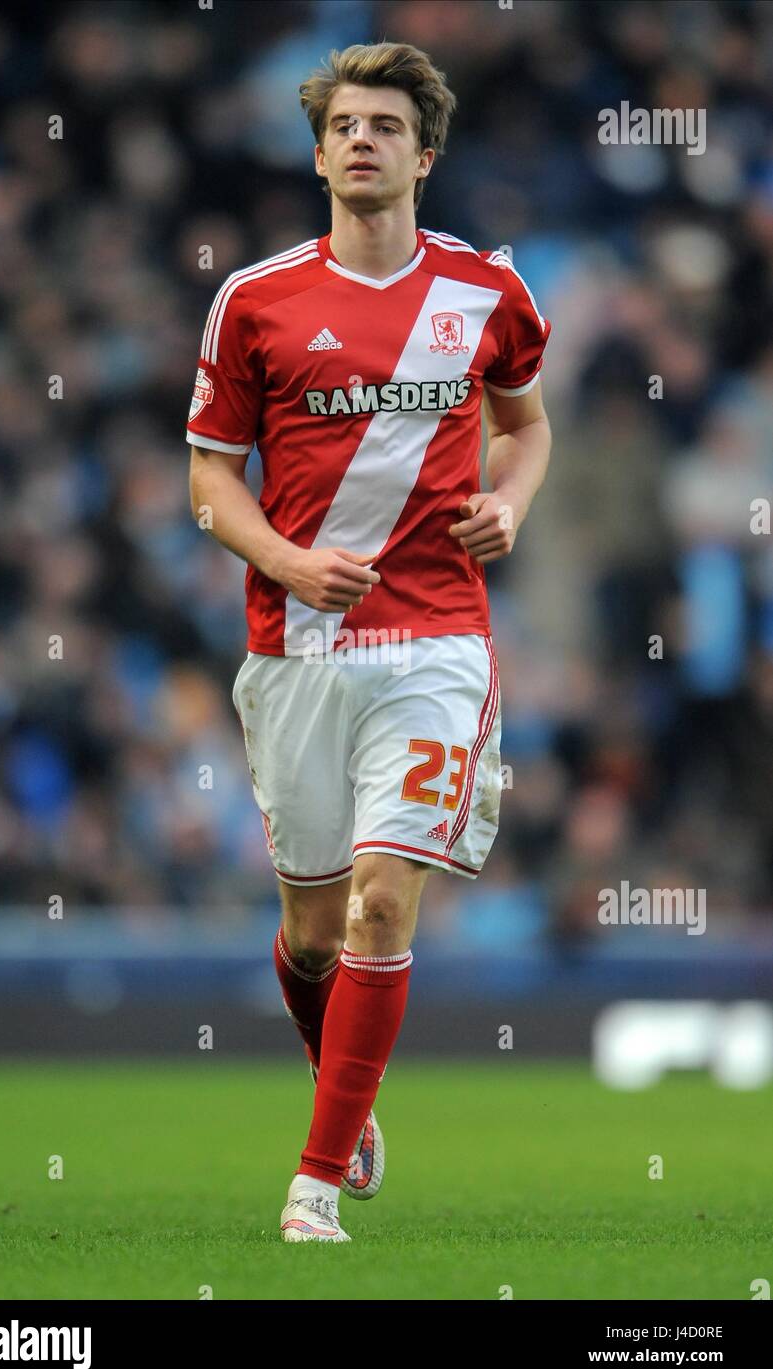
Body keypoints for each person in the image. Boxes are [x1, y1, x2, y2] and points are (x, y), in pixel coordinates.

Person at [187, 40, 552, 1242]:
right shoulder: (254, 299)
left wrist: (509, 499)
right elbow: (208, 483)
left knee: (382, 908)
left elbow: (524, 427)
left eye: (384, 126)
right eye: (343, 124)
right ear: (315, 152)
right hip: (295, 647)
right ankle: (335, 1081)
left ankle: (312, 1183)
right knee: (310, 929)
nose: (360, 140)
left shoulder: (486, 294)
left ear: (423, 154)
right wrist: (287, 560)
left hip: (435, 638)